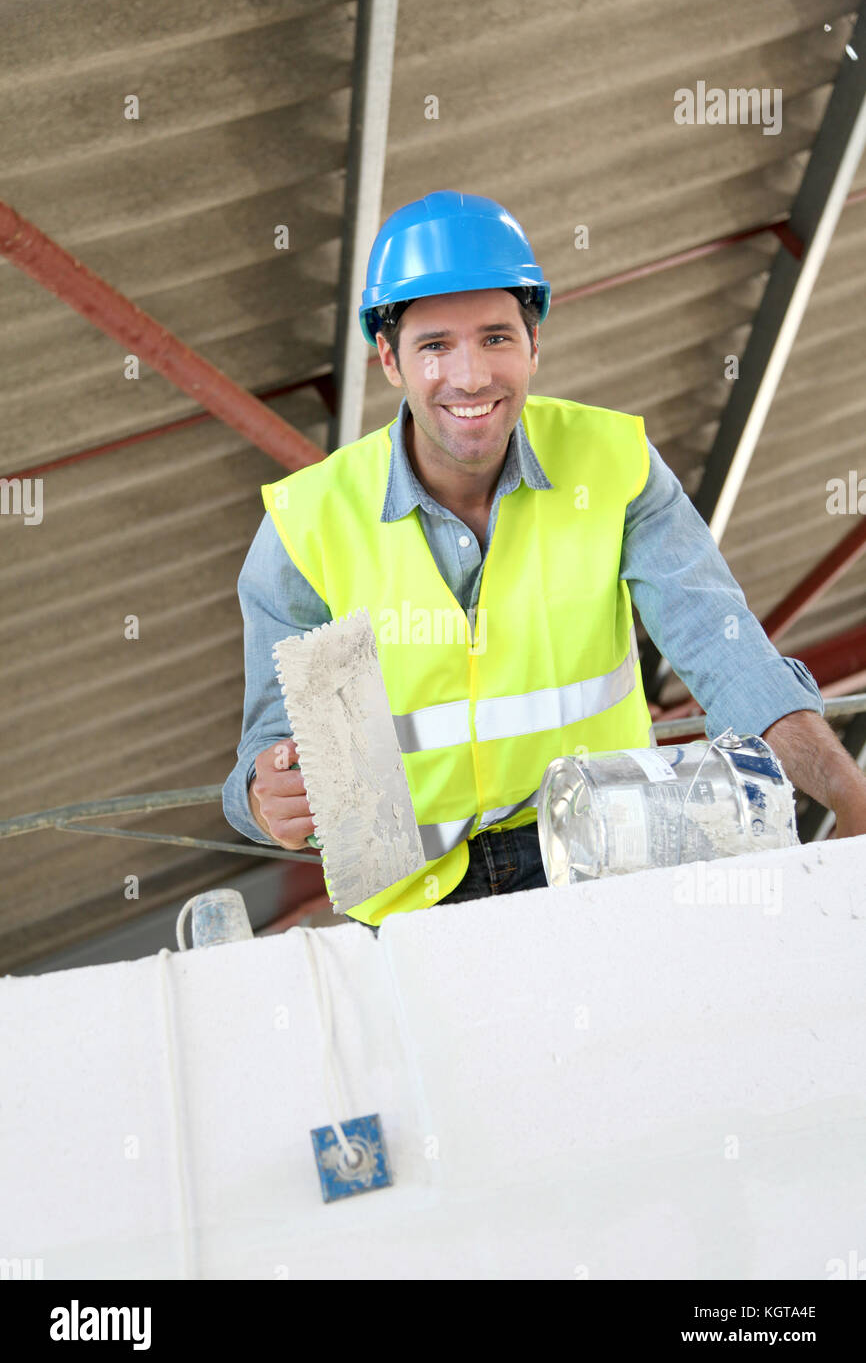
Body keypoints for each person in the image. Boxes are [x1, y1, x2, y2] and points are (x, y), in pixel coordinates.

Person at [222, 190, 866, 934]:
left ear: (535, 347)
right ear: (390, 360)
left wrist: (848, 795)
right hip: (418, 911)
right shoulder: (309, 524)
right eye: (435, 346)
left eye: (496, 338)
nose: (469, 377)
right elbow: (268, 754)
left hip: (605, 862)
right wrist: (264, 800)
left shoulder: (613, 466)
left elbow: (722, 647)